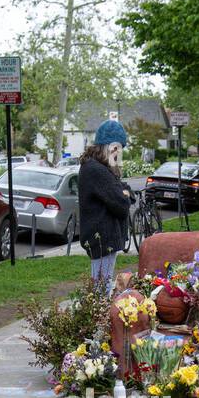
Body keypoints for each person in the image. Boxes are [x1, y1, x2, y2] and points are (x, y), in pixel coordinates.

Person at [78, 119, 131, 292]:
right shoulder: (96, 170)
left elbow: (123, 188)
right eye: (119, 148)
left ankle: (96, 316)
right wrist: (124, 195)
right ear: (110, 147)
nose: (119, 153)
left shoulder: (99, 167)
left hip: (104, 237)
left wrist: (124, 193)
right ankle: (96, 319)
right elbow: (121, 205)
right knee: (102, 289)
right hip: (101, 238)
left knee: (102, 286)